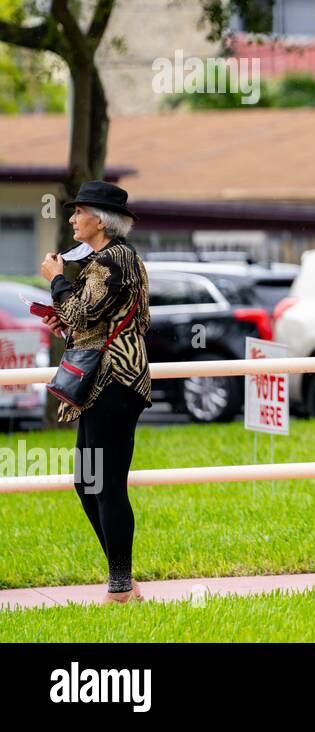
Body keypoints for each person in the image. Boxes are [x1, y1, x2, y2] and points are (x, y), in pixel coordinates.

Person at [39, 181, 152, 604]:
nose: (71, 218)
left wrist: (55, 281)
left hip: (116, 383)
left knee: (105, 483)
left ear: (100, 220)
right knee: (87, 483)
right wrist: (63, 323)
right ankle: (124, 580)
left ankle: (120, 589)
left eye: (78, 211)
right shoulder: (107, 259)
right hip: (100, 384)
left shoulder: (114, 259)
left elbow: (83, 308)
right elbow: (87, 319)